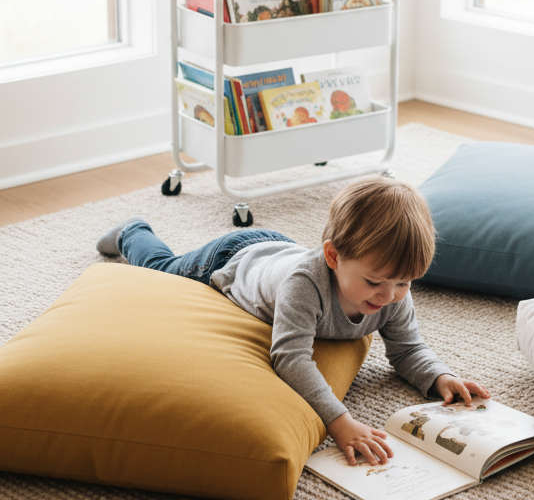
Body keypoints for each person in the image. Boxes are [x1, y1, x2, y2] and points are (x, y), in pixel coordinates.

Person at [96, 176, 489, 467]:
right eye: (375, 282)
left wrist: (439, 378)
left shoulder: (391, 291)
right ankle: (134, 231)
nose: (389, 296)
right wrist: (340, 421)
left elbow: (407, 349)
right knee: (162, 269)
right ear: (333, 258)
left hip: (282, 247)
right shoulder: (304, 286)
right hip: (233, 259)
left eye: (403, 282)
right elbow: (291, 358)